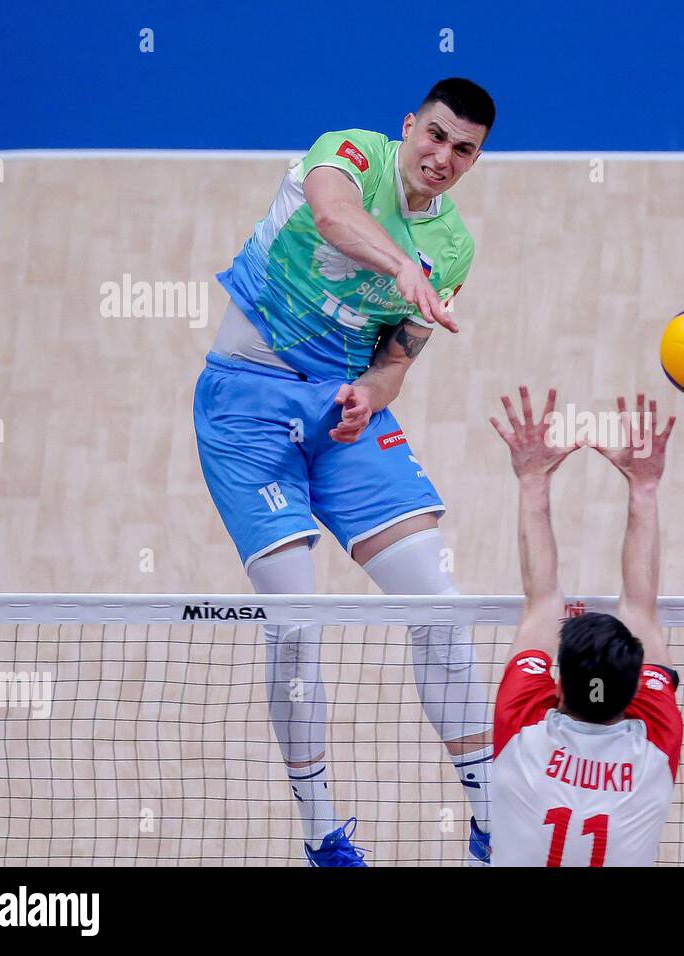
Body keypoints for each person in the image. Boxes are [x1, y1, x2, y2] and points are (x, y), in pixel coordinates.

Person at [192, 78, 497, 865]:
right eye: (434, 137)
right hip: (245, 410)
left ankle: (492, 813)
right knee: (297, 624)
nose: (443, 158)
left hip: (342, 414)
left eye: (464, 149)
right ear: (409, 127)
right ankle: (320, 831)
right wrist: (401, 265)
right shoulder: (353, 155)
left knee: (439, 604)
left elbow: (396, 361)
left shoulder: (454, 247)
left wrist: (371, 392)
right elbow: (331, 213)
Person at [488, 388, 683, 866]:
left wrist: (532, 480)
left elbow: (542, 600)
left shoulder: (523, 732)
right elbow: (641, 606)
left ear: (554, 688)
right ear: (637, 688)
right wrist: (645, 487)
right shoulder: (654, 743)